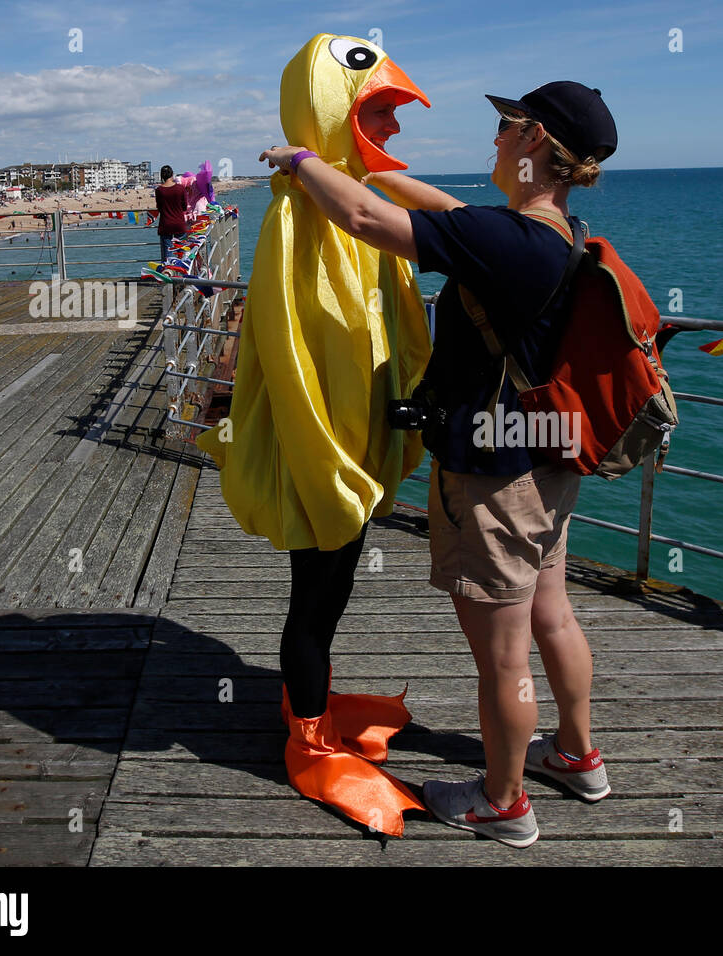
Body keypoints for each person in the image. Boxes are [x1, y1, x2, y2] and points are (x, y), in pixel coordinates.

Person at [261, 79, 618, 848]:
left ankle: (504, 802)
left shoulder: (505, 240)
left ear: (530, 142)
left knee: (501, 656)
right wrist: (364, 161)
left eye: (502, 129)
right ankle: (578, 757)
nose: (492, 141)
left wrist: (297, 161)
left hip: (495, 479)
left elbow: (363, 219)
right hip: (550, 462)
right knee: (553, 612)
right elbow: (441, 212)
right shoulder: (557, 231)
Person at [197, 34, 432, 839]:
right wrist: (320, 452)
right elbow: (286, 342)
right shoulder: (301, 212)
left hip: (358, 436)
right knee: (316, 592)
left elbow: (388, 301)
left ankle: (319, 701)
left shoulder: (353, 195)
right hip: (324, 447)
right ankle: (309, 742)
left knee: (334, 591)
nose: (392, 134)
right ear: (334, 111)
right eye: (377, 114)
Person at [153, 165, 189, 262]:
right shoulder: (180, 188)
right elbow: (184, 206)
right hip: (179, 223)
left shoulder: (159, 190)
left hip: (166, 224)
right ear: (172, 174)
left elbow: (159, 207)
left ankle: (168, 273)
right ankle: (182, 274)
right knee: (181, 253)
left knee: (167, 255)